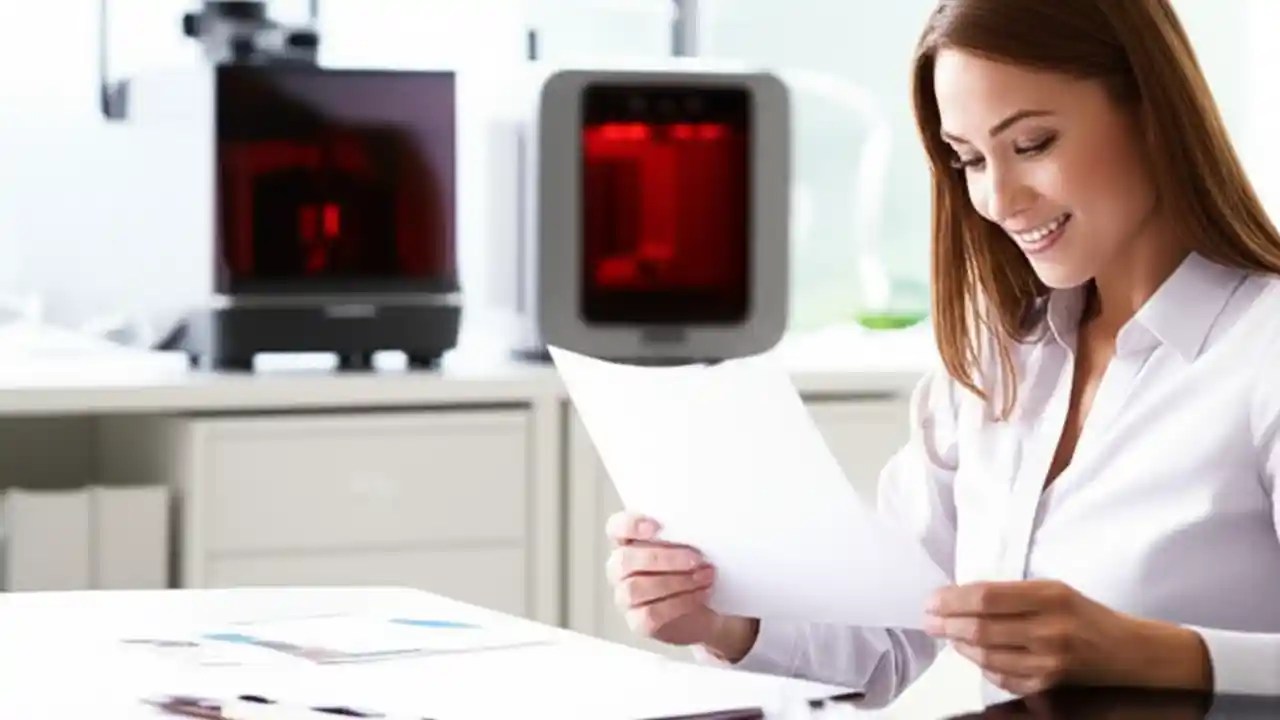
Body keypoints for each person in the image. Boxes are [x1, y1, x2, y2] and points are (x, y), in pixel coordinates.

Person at [604, 0, 1280, 709]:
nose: (997, 198)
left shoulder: (1261, 353)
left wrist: (1152, 653)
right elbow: (888, 632)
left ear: (1150, 110)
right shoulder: (996, 364)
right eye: (969, 160)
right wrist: (724, 620)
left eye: (1033, 144)